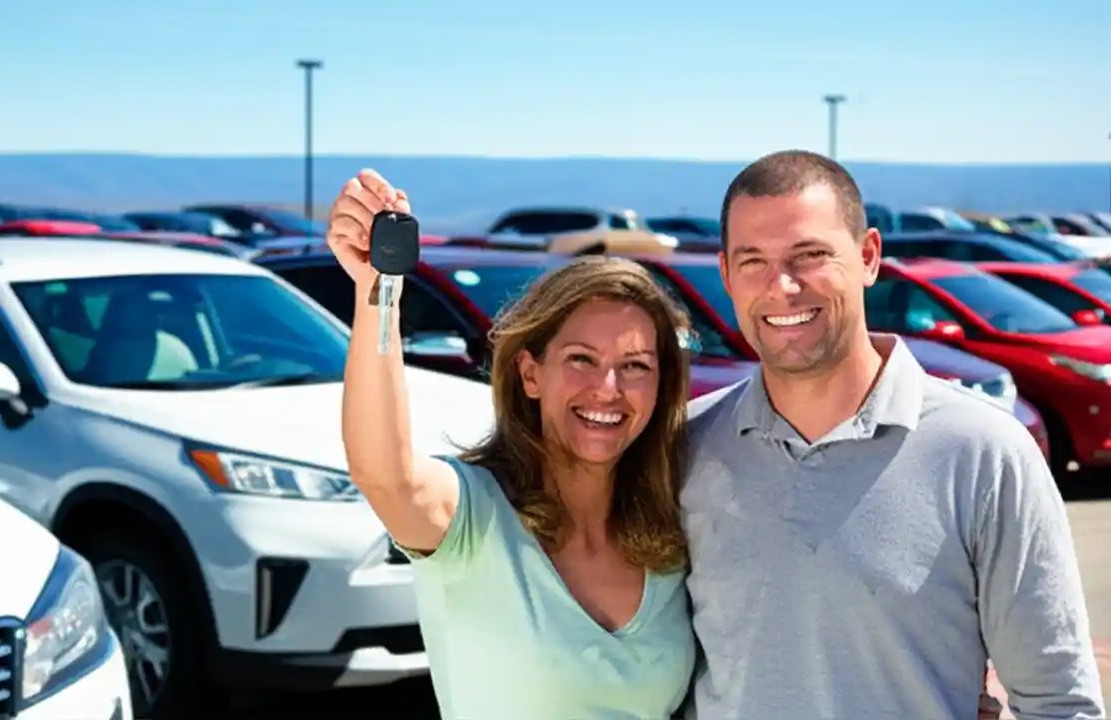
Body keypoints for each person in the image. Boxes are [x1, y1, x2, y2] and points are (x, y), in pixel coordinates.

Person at [680, 149, 1105, 719]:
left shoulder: (984, 452)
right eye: (753, 260)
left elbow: (1060, 704)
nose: (781, 286)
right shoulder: (683, 447)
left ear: (868, 257)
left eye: (809, 255)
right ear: (727, 274)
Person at [327, 169, 696, 719]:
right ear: (530, 374)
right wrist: (378, 292)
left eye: (635, 366)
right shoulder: (474, 519)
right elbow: (386, 474)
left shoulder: (672, 530)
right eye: (581, 360)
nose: (608, 388)